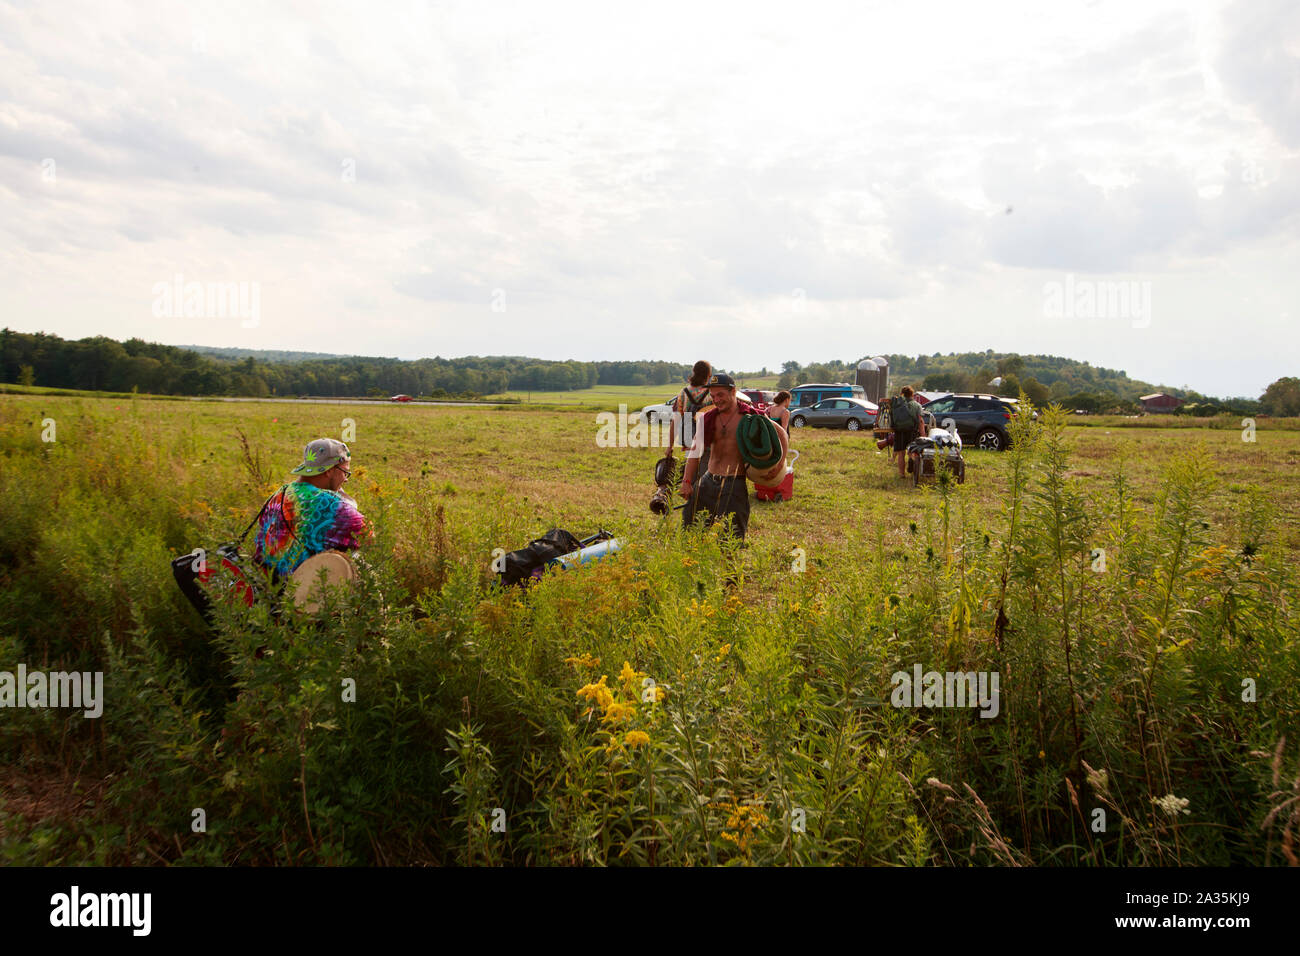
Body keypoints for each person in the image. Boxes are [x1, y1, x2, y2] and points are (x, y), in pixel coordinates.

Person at [680, 373, 788, 542]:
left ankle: (727, 567)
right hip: (708, 481)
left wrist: (780, 463)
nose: (716, 400)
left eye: (720, 395)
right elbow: (694, 452)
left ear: (733, 392)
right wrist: (687, 481)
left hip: (734, 484)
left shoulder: (751, 416)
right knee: (690, 529)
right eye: (713, 396)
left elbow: (781, 433)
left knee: (731, 539)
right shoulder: (707, 418)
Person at [254, 438, 371, 578]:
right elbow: (369, 537)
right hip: (301, 593)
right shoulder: (331, 505)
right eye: (345, 472)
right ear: (329, 470)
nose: (345, 479)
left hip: (265, 586)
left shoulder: (278, 495)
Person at [663, 360, 713, 471]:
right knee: (706, 475)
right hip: (709, 440)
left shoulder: (683, 393)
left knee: (691, 474)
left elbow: (675, 421)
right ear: (709, 375)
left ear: (693, 372)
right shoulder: (713, 393)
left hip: (689, 440)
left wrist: (669, 446)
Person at [892, 385, 927, 478]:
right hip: (912, 431)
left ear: (902, 394)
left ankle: (901, 474)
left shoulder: (897, 404)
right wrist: (924, 435)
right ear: (912, 394)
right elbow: (920, 421)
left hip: (899, 431)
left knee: (901, 453)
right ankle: (911, 461)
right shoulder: (916, 405)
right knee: (913, 451)